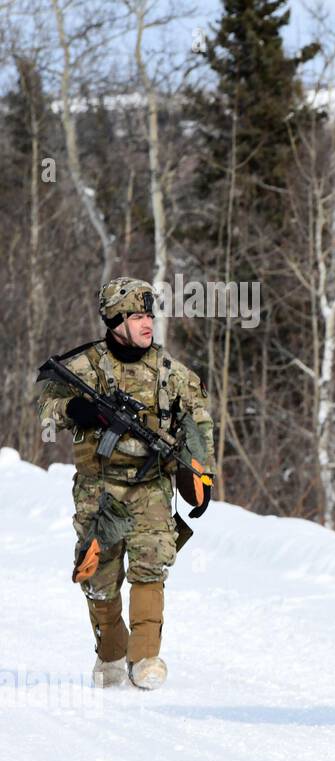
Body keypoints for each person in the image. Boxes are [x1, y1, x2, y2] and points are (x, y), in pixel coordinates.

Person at [37, 277, 214, 690]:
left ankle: (146, 657)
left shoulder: (170, 372)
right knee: (99, 578)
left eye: (150, 315)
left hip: (151, 485)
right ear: (115, 320)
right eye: (137, 316)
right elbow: (46, 407)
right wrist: (73, 408)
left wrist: (201, 473)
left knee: (152, 565)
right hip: (99, 488)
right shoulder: (85, 367)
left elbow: (198, 421)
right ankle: (112, 653)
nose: (147, 323)